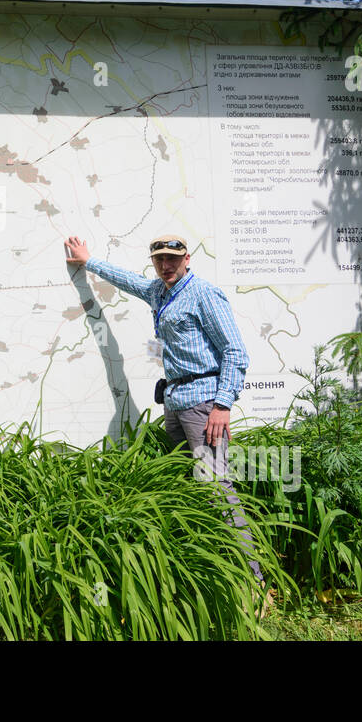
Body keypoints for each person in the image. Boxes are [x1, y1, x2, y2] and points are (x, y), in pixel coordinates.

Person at [64, 233, 272, 609]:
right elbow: (128, 280)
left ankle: (254, 582)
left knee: (216, 488)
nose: (165, 265)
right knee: (189, 486)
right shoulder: (160, 291)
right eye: (159, 258)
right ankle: (210, 566)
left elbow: (235, 350)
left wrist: (223, 404)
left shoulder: (203, 294)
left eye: (172, 259)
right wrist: (87, 260)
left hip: (204, 408)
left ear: (187, 259)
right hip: (175, 402)